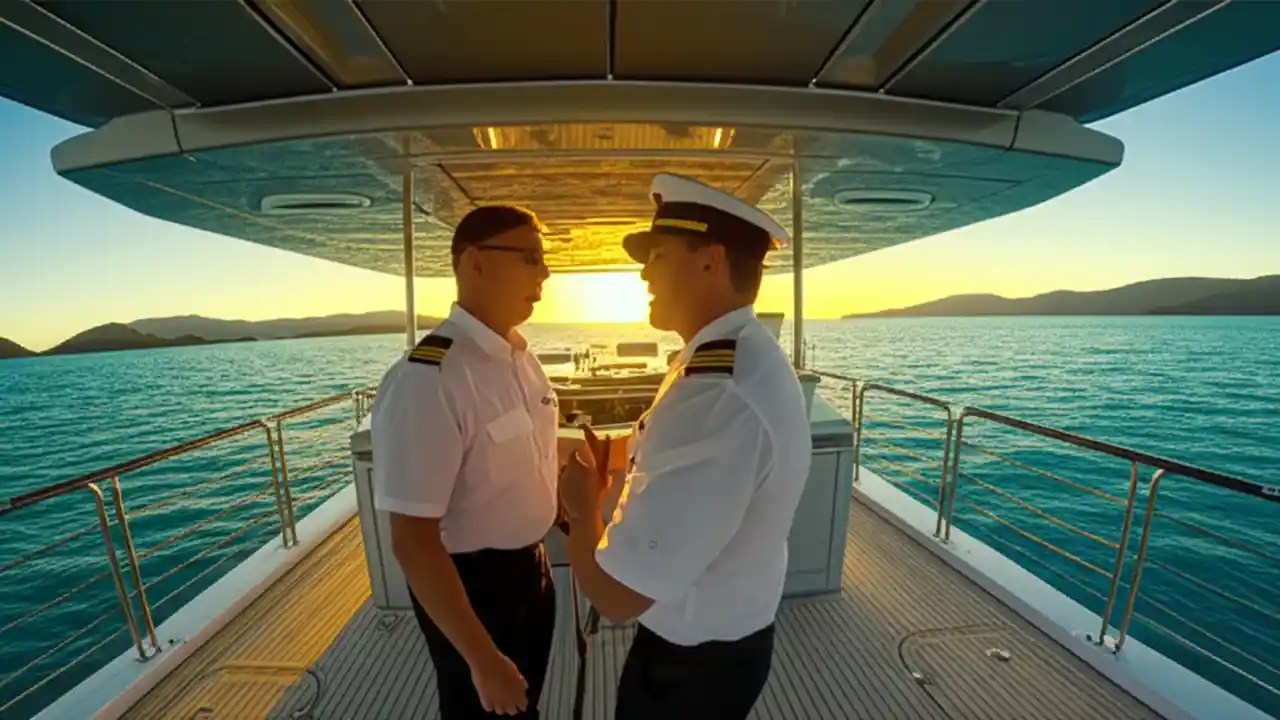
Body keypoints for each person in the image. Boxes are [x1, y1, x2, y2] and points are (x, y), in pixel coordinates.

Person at [558, 173, 813, 719]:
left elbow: (619, 598)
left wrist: (580, 511)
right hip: (725, 641)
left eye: (658, 255)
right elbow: (662, 448)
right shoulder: (733, 354)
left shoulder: (717, 395)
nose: (644, 272)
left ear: (710, 262)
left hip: (693, 668)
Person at [370, 205, 560, 718]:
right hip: (474, 589)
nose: (544, 273)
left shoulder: (520, 358)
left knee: (524, 706)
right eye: (530, 258)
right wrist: (482, 658)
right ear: (476, 262)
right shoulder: (428, 380)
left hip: (533, 571)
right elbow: (412, 539)